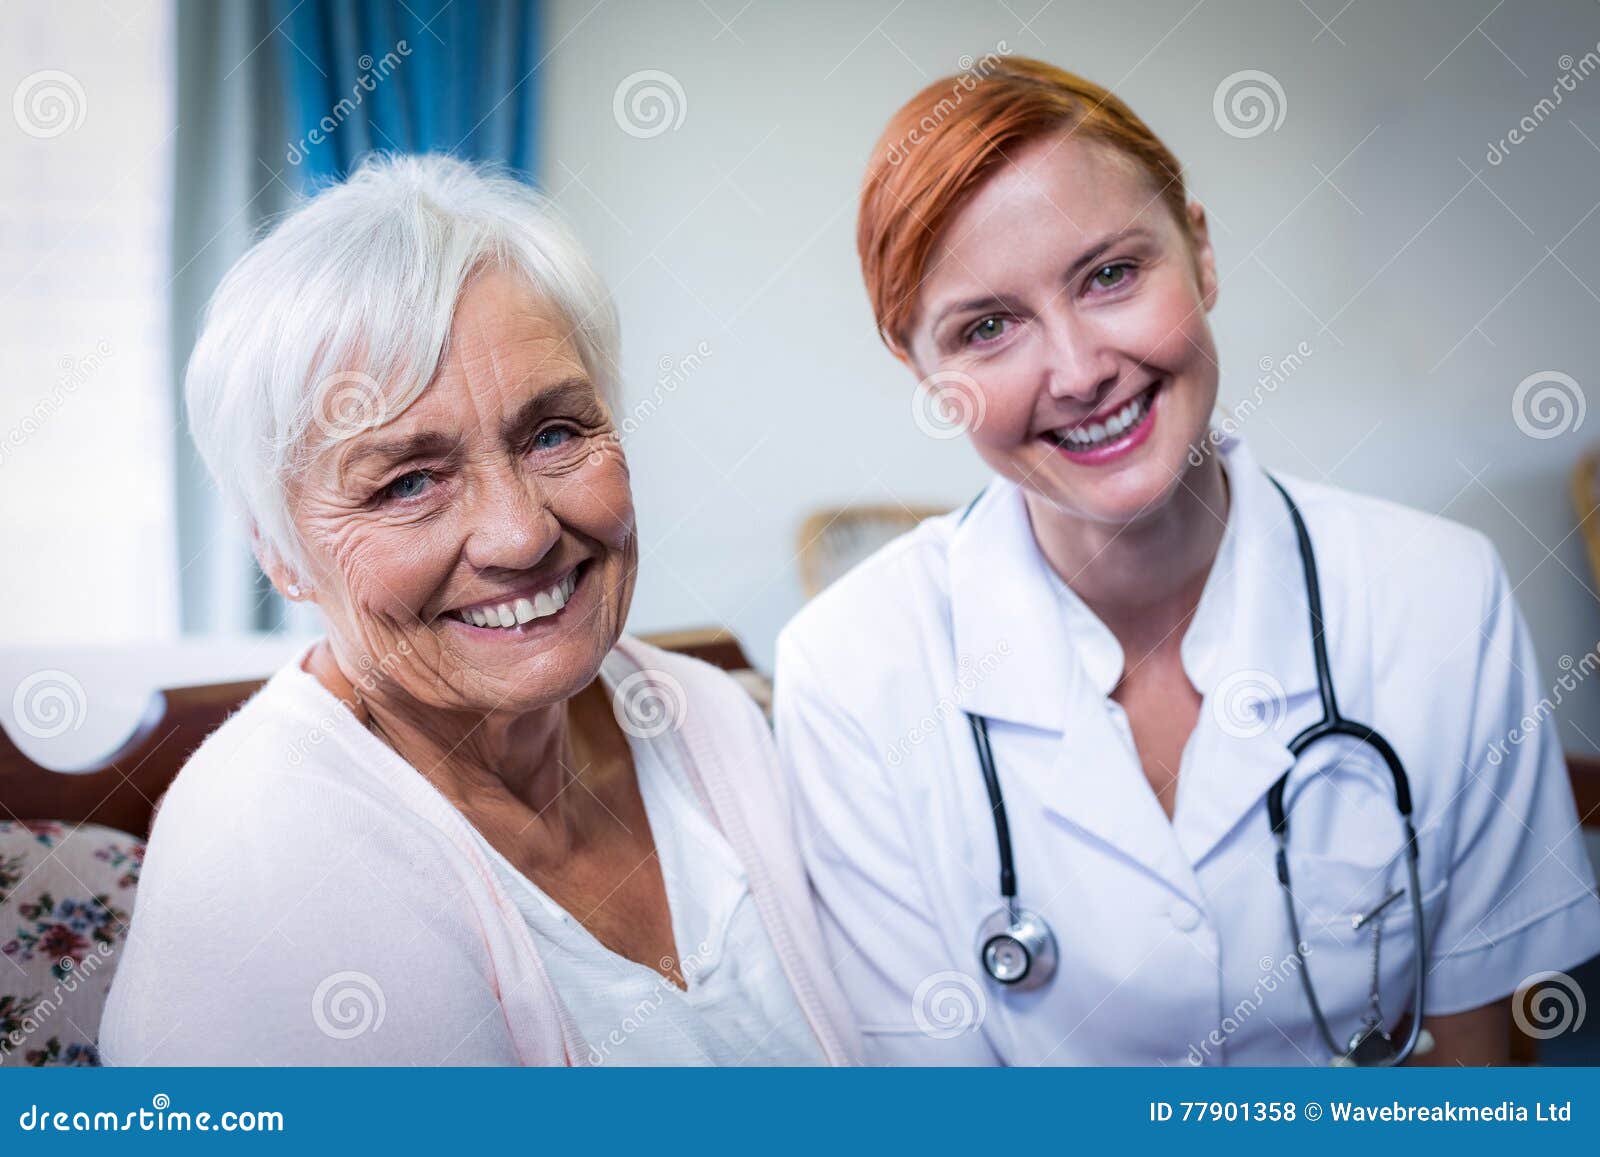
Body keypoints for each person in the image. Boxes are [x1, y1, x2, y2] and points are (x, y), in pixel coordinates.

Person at [774, 58, 1600, 1066]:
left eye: (1110, 274)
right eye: (987, 327)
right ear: (926, 374)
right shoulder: (849, 669)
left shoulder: (1438, 596)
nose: (1078, 372)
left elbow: (1478, 1063)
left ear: (1200, 254)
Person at [100, 155, 860, 1066]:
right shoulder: (263, 858)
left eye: (553, 433)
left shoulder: (709, 713)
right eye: (408, 481)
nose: (519, 535)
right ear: (280, 552)